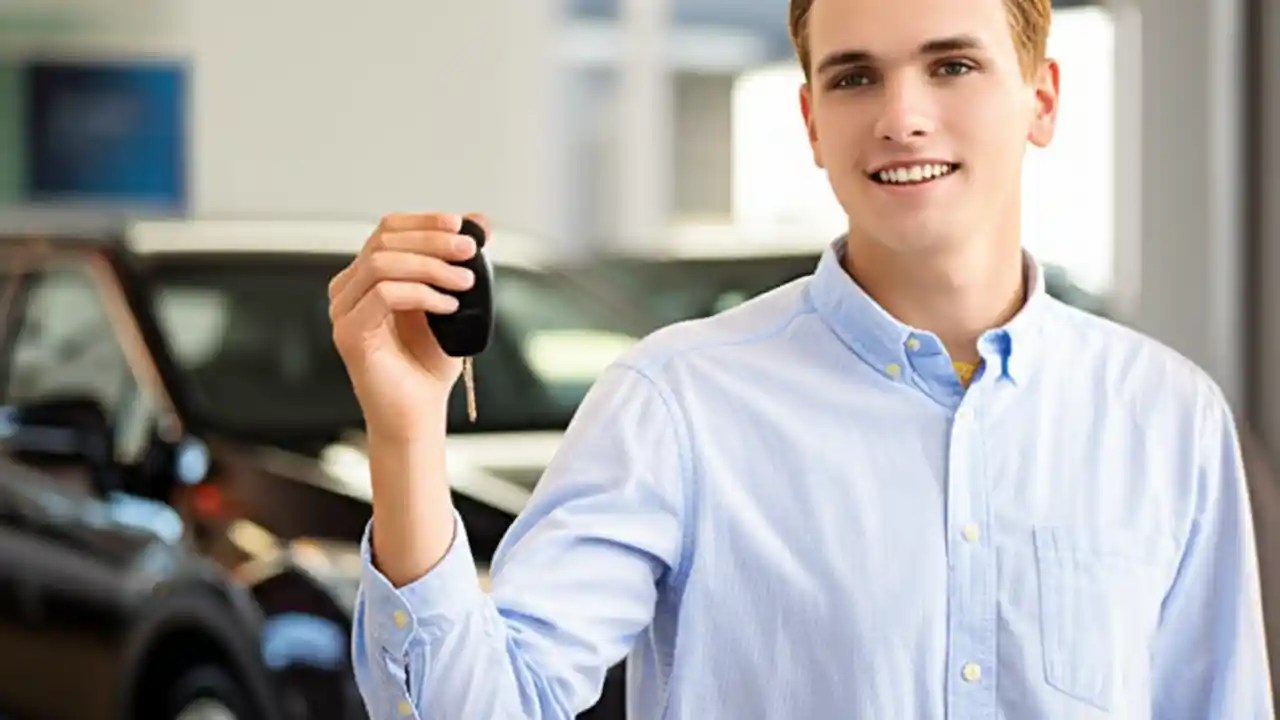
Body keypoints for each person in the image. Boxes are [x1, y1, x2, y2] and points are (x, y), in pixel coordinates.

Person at [328, 0, 1275, 716]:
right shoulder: (678, 405)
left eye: (951, 65)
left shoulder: (1167, 416)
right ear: (813, 120)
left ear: (1042, 98)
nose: (902, 115)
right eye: (855, 77)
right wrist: (408, 436)